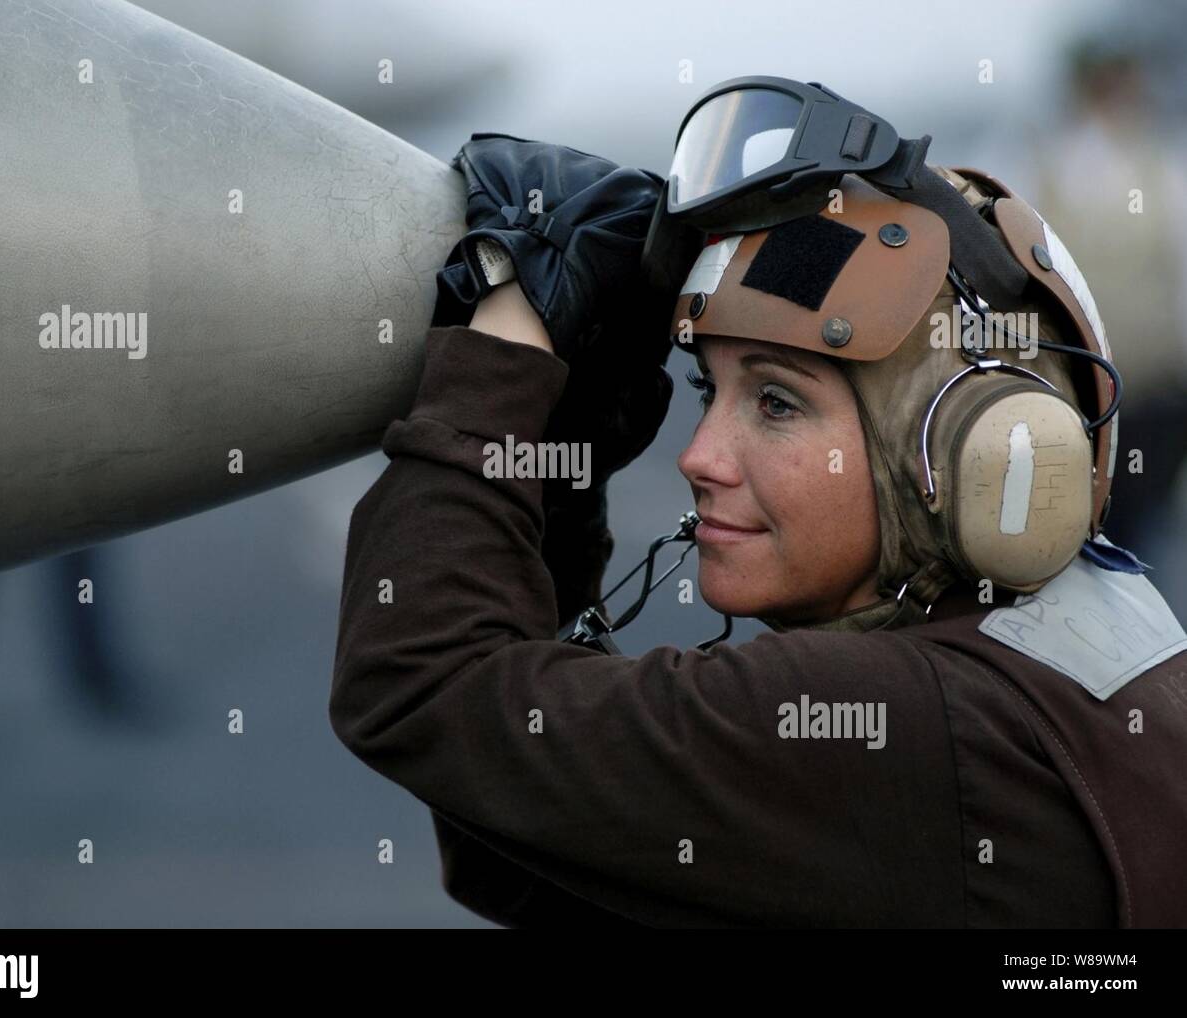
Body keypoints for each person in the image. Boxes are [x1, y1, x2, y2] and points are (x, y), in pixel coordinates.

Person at [329, 80, 1187, 928]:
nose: (699, 458)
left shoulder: (899, 721)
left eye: (777, 403)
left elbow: (419, 685)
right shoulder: (1081, 650)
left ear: (974, 450)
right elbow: (528, 855)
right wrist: (557, 471)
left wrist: (507, 329)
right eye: (710, 391)